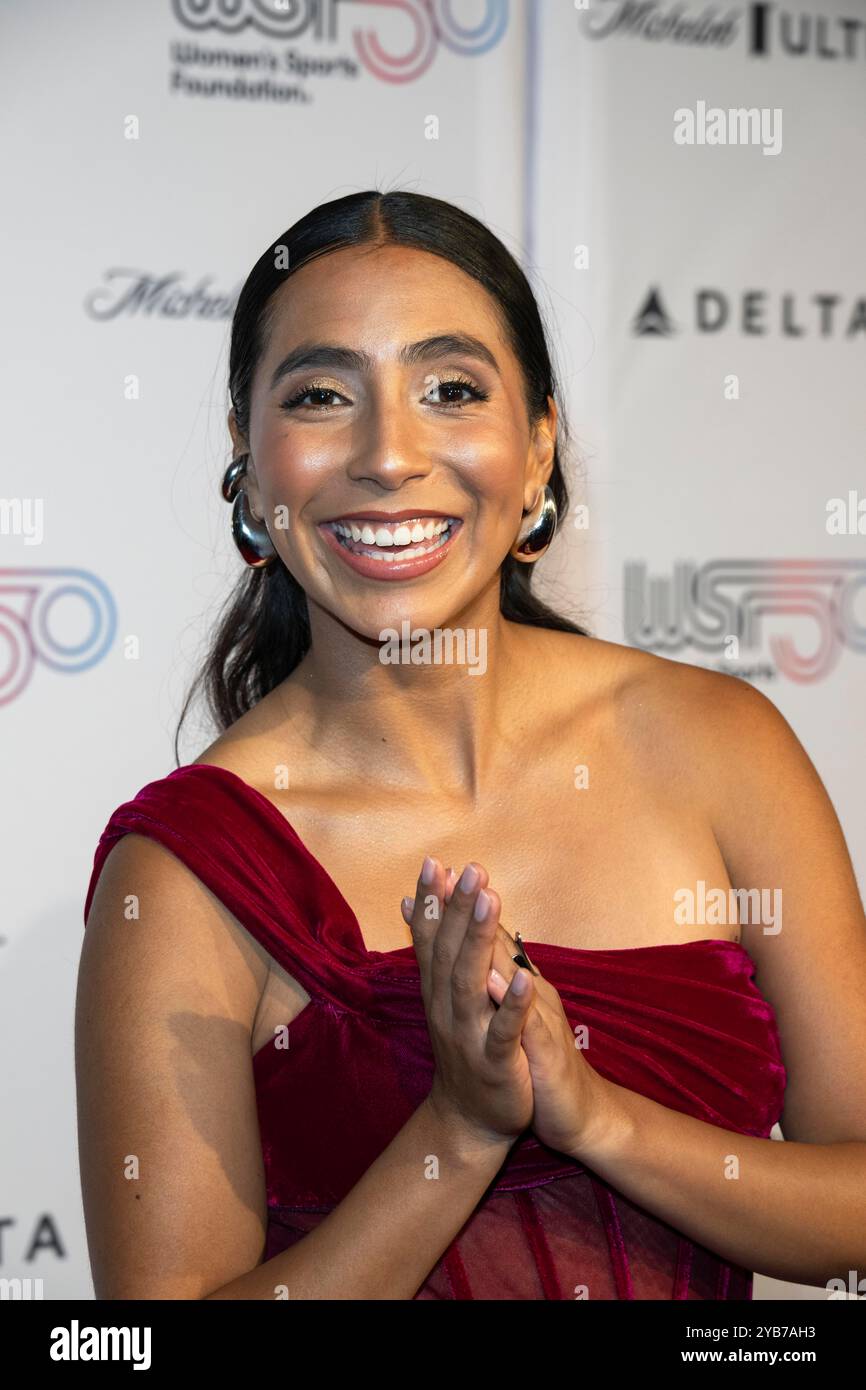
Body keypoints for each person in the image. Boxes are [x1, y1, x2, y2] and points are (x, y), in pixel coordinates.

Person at [77, 190, 866, 1301]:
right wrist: (455, 1130)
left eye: (449, 389)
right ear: (251, 468)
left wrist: (593, 1116)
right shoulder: (189, 869)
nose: (388, 454)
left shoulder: (717, 746)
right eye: (319, 395)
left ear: (538, 444)